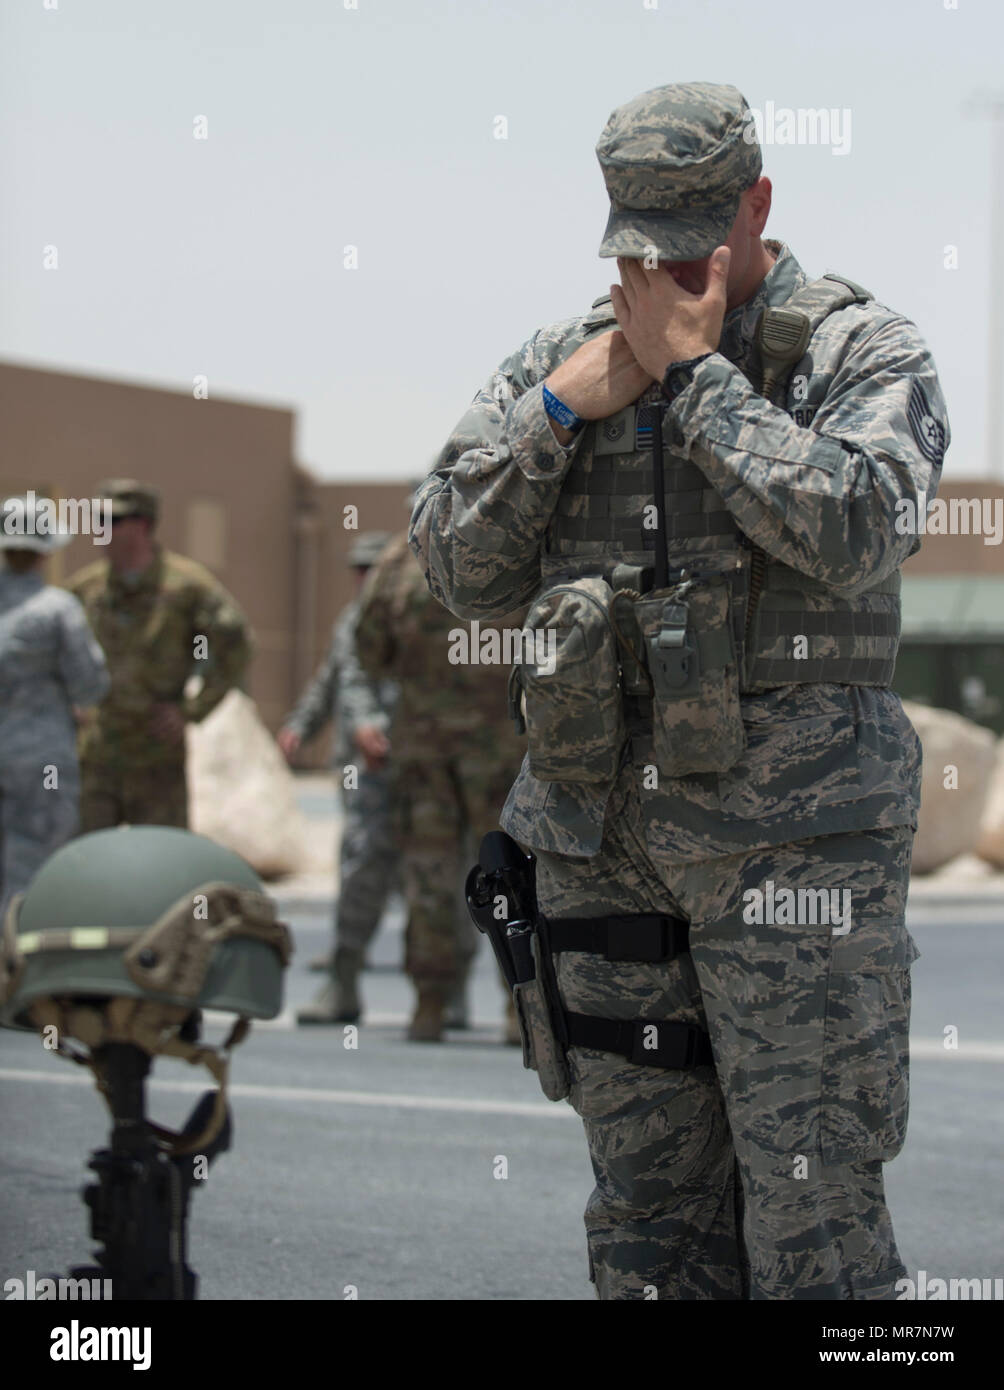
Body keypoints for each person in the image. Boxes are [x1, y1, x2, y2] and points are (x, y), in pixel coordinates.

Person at [410, 82, 949, 1298]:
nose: (661, 267)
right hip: (601, 848)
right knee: (647, 1231)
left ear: (758, 201)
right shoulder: (558, 361)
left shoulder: (857, 349)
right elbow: (453, 565)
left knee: (815, 1222)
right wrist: (558, 413)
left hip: (795, 858)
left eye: (693, 238)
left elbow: (859, 525)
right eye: (637, 242)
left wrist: (699, 383)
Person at [355, 532, 527, 1043]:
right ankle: (520, 1008)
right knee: (509, 871)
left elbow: (369, 648)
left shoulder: (399, 560)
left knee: (428, 875)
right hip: (499, 744)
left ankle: (429, 1005)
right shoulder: (516, 540)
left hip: (424, 743)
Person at [66, 479, 252, 831]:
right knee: (88, 866)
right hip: (96, 758)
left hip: (156, 760)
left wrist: (192, 710)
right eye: (97, 520)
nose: (99, 530)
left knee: (162, 870)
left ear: (144, 526)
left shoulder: (188, 587)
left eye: (111, 522)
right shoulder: (85, 589)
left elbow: (237, 645)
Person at [278, 531, 400, 1024]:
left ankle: (445, 990)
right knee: (361, 860)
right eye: (359, 569)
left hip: (417, 763)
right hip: (363, 768)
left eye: (374, 569)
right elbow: (333, 680)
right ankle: (345, 972)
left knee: (435, 873)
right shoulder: (351, 622)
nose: (365, 577)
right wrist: (301, 726)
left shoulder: (410, 615)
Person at [0, 495, 109, 920]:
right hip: (42, 764)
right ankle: (21, 965)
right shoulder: (58, 609)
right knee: (36, 868)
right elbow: (92, 684)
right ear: (46, 551)